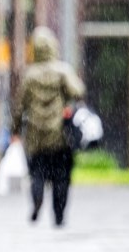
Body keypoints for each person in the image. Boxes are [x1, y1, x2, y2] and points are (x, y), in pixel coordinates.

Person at [11, 27, 85, 227]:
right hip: (60, 135)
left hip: (35, 135)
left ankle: (37, 200)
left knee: (37, 173)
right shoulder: (63, 71)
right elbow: (78, 91)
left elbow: (19, 107)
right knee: (61, 177)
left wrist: (15, 130)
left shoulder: (29, 75)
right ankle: (59, 214)